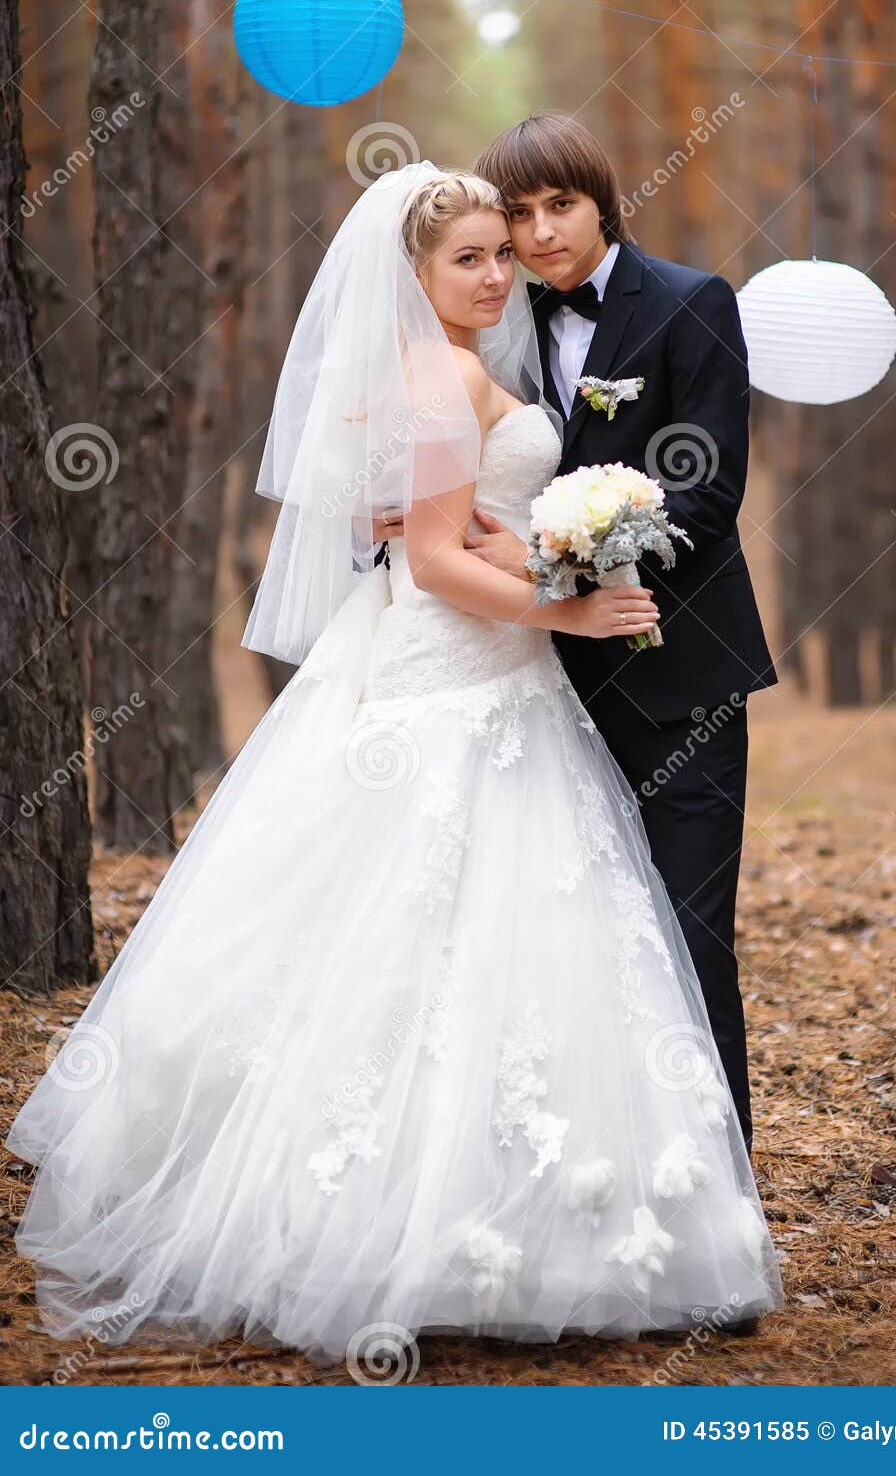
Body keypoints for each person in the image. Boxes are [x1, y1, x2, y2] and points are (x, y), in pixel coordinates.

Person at [5, 165, 782, 1364]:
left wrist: (512, 546)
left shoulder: (483, 368)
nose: (494, 270)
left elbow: (471, 517)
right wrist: (561, 607)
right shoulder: (434, 377)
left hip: (512, 681)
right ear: (412, 275)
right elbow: (427, 561)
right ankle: (388, 1222)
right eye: (468, 255)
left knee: (529, 945)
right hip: (458, 675)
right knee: (417, 932)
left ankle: (552, 1210)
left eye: (499, 252)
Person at [460, 115, 778, 1156]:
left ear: (602, 201)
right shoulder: (498, 327)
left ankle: (718, 1186)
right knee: (564, 942)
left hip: (673, 671)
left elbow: (708, 495)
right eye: (519, 215)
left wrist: (560, 561)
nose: (543, 233)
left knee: (689, 937)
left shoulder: (693, 305)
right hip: (533, 679)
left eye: (562, 205)